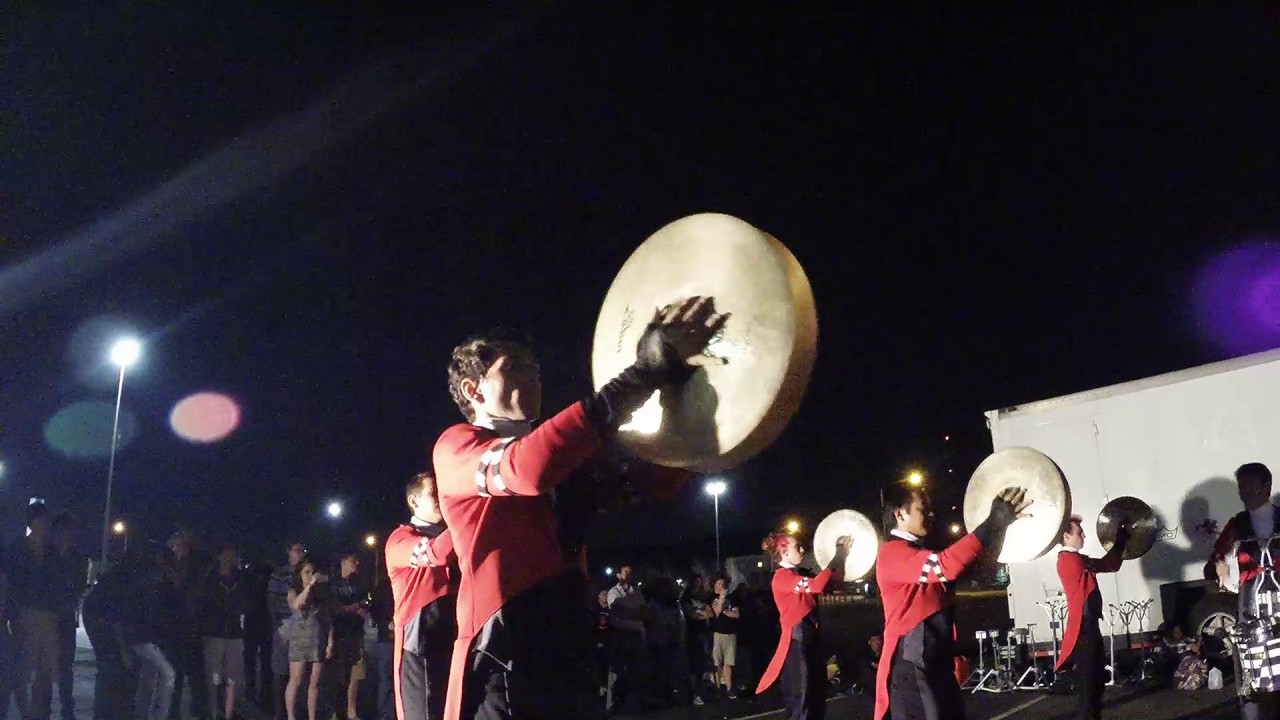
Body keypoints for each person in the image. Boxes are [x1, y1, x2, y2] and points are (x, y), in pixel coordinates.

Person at [432, 296, 726, 720]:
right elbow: (528, 469)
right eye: (514, 366)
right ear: (472, 390)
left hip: (568, 641)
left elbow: (649, 486)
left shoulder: (562, 456)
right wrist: (643, 374)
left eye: (534, 366)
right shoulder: (457, 445)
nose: (533, 375)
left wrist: (683, 408)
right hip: (504, 652)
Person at [874, 483, 1031, 720]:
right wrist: (991, 521)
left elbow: (979, 568)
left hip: (933, 662)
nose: (930, 514)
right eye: (922, 509)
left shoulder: (918, 552)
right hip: (913, 666)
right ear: (899, 514)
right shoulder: (893, 552)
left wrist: (1000, 526)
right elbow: (946, 565)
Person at [1210, 462, 1280, 720]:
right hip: (1251, 611)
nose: (1244, 493)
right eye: (1241, 487)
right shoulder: (1237, 525)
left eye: (1249, 486)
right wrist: (1220, 568)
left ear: (1266, 486)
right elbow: (1217, 562)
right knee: (1257, 682)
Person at [386, 471, 459, 720]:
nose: (441, 497)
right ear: (414, 501)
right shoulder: (400, 539)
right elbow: (434, 553)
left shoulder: (454, 534)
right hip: (418, 648)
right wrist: (464, 515)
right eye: (433, 493)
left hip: (454, 642)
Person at [755, 532, 850, 720]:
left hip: (809, 640)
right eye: (796, 546)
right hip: (797, 643)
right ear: (784, 553)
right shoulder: (781, 577)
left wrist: (843, 558)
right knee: (802, 700)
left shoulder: (799, 574)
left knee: (816, 697)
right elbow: (816, 586)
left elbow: (835, 582)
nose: (801, 549)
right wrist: (838, 555)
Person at [1056, 515, 1127, 720]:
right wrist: (1119, 541)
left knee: (1095, 683)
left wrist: (1121, 541)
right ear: (1066, 536)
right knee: (1089, 686)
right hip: (1083, 630)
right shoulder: (1068, 559)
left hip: (1090, 627)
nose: (1084, 536)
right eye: (1079, 533)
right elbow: (1108, 564)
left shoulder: (1077, 560)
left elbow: (1111, 565)